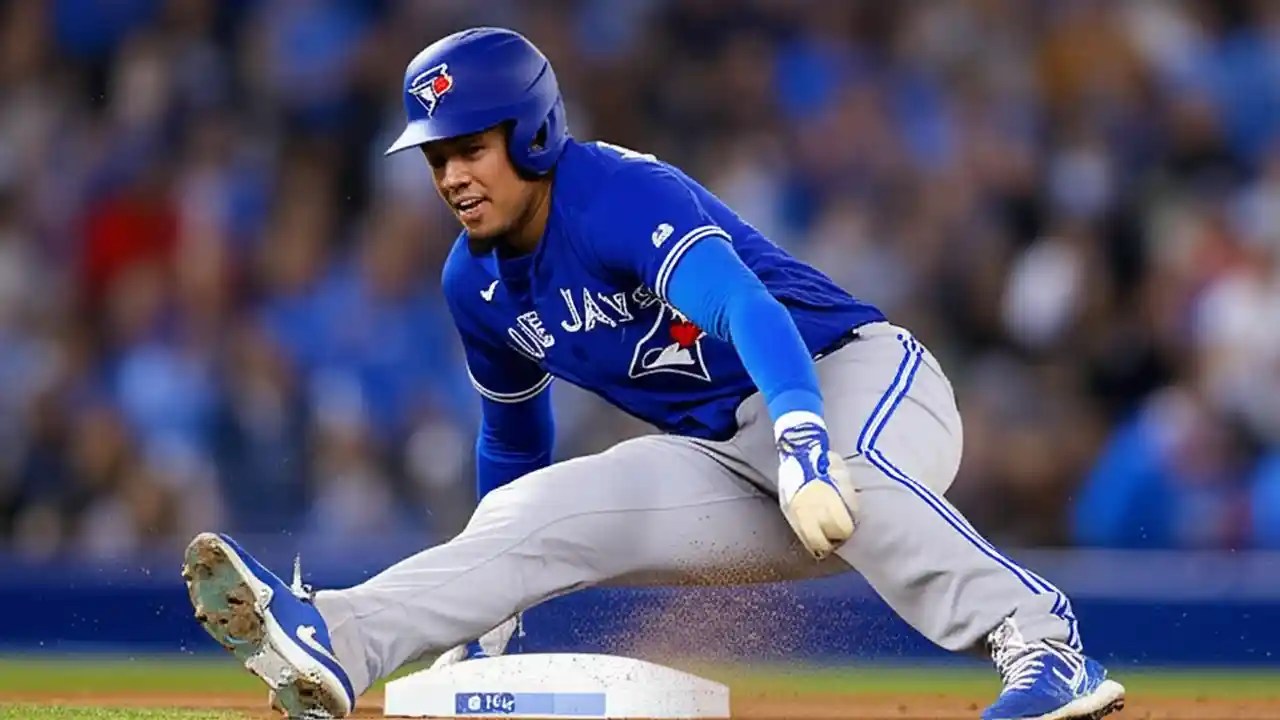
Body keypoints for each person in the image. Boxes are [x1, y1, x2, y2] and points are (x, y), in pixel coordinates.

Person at [181, 27, 1125, 720]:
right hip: (725, 459)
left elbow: (747, 309)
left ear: (534, 135)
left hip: (852, 379)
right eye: (436, 157)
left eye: (470, 148)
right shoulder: (473, 283)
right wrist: (495, 592)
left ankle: (1045, 649)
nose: (450, 177)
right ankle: (337, 640)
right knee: (528, 517)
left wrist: (801, 436)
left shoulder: (617, 195)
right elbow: (513, 441)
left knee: (851, 471)